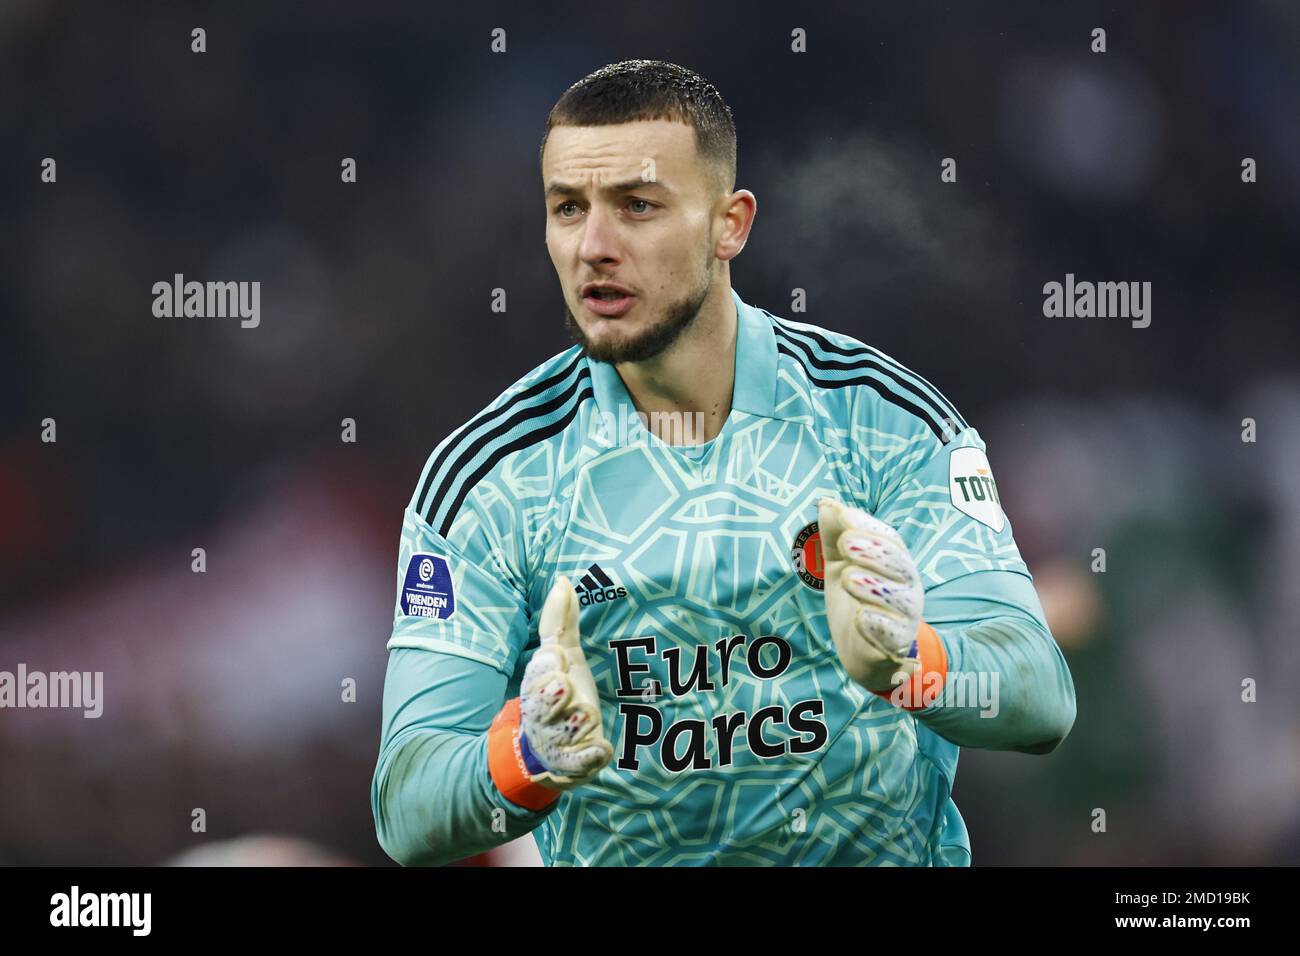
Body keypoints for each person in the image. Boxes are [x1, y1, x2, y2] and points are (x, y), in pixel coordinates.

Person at [371, 59, 1076, 866]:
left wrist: (911, 662)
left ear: (729, 225)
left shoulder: (880, 419)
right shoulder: (490, 478)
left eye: (637, 207)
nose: (594, 247)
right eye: (569, 208)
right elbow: (407, 808)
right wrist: (527, 755)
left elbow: (1039, 696)